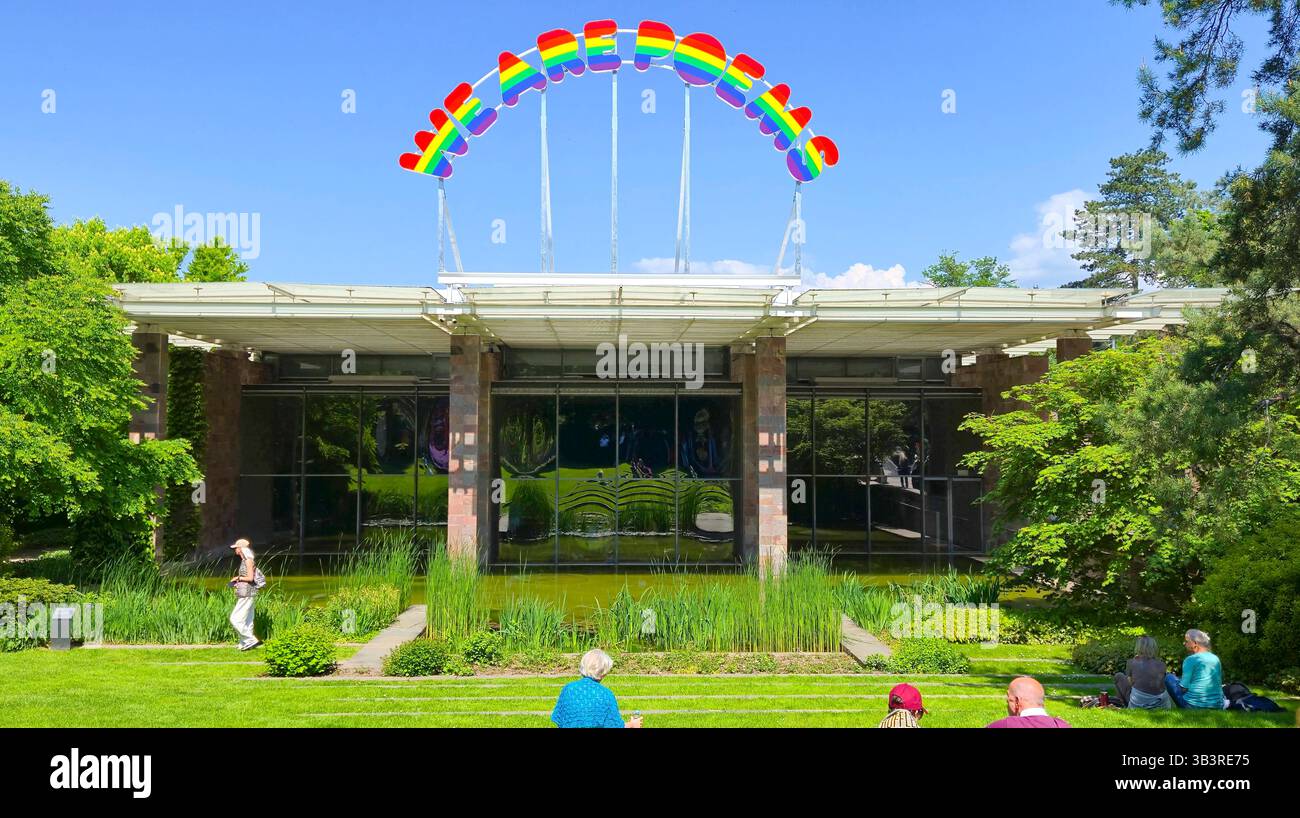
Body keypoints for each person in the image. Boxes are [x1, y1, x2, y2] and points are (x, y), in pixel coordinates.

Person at [551, 649, 643, 728]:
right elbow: (615, 726)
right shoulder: (606, 694)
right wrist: (632, 725)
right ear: (604, 672)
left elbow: (560, 721)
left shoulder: (568, 689)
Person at [1165, 629, 1224, 709]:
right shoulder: (1215, 658)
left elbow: (1184, 689)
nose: (1184, 643)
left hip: (1193, 705)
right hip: (1218, 705)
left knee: (1169, 677)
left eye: (1186, 641)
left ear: (1195, 643)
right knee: (1179, 679)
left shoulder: (1191, 659)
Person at [986, 676, 1072, 728]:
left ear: (1016, 702)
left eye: (1008, 701)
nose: (1007, 706)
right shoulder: (1062, 725)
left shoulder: (1004, 725)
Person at [1113, 635, 1173, 709]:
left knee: (1119, 676)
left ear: (1138, 647)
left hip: (1139, 703)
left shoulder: (1131, 662)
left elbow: (1131, 684)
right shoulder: (1162, 664)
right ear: (1154, 648)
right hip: (1161, 704)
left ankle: (1119, 704)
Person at [228, 538, 261, 651]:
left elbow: (250, 578)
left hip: (247, 592)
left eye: (236, 548)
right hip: (247, 591)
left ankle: (251, 640)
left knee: (235, 619)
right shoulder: (245, 560)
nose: (235, 550)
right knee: (247, 620)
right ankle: (244, 643)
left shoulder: (248, 561)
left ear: (241, 549)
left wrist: (237, 578)